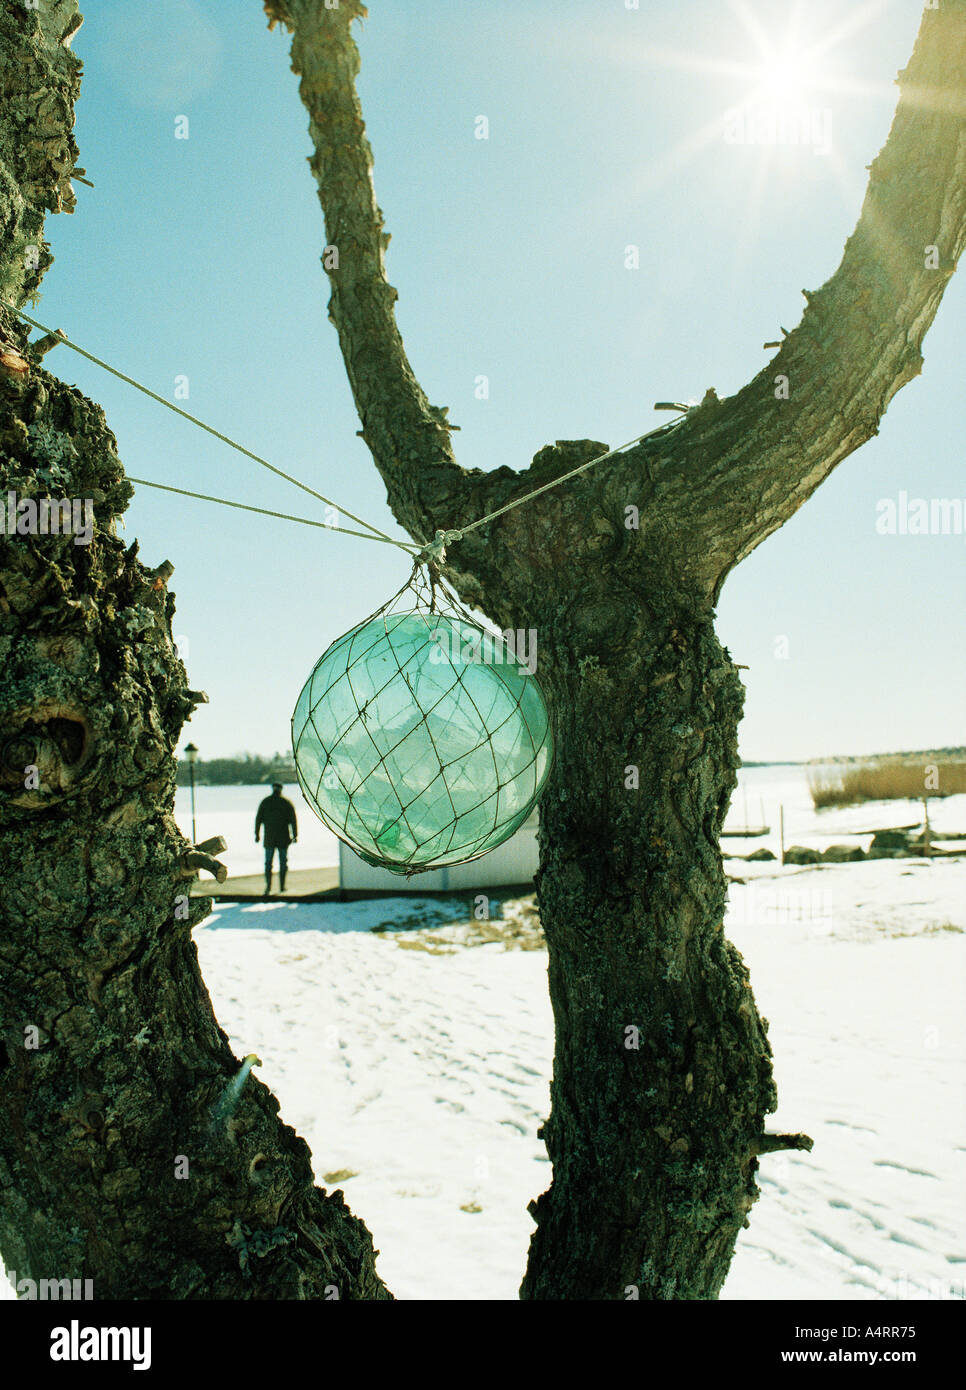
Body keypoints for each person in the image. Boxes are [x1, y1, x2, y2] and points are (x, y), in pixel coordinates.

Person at [255, 782, 298, 896]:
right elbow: (293, 820)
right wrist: (295, 835)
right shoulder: (286, 802)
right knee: (282, 863)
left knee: (269, 863)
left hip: (270, 838)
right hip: (283, 838)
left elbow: (258, 819)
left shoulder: (266, 802)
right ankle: (281, 886)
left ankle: (269, 887)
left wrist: (257, 834)